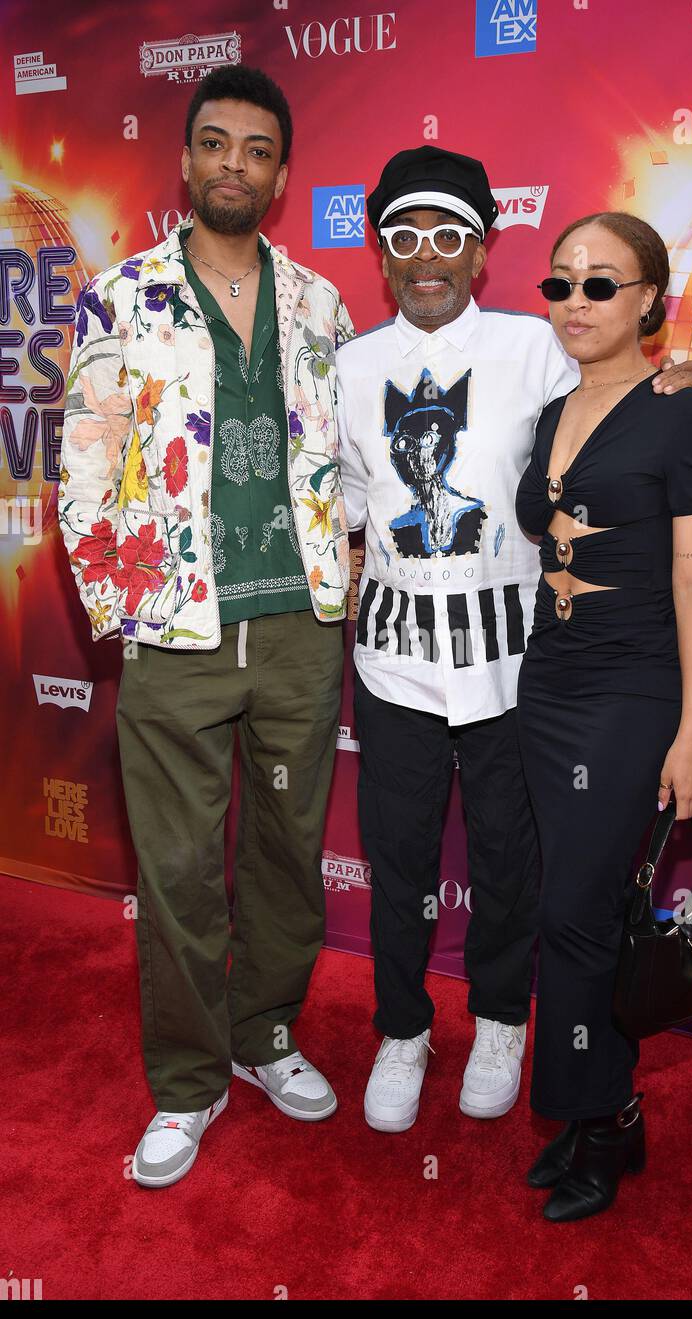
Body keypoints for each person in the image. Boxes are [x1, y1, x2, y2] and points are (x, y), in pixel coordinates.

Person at [335, 148, 692, 1134]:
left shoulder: (539, 346)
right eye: (405, 235)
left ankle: (501, 1015)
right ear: (380, 251)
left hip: (515, 670)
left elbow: (625, 387)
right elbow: (335, 500)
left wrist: (678, 372)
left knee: (510, 860)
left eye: (448, 236)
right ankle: (402, 1028)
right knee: (399, 861)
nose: (426, 255)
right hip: (391, 663)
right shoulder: (347, 367)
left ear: (480, 250)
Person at [57, 65, 355, 1188]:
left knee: (284, 855)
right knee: (179, 869)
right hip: (174, 633)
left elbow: (350, 458)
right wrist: (122, 603)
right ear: (185, 160)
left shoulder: (320, 304)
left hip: (295, 630)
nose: (235, 163)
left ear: (280, 174)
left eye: (258, 149)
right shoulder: (122, 295)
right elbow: (81, 455)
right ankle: (187, 1084)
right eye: (216, 143)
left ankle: (267, 1036)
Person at [514, 211, 692, 1221]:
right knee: (574, 909)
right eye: (560, 284)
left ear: (651, 298)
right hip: (546, 683)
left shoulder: (682, 409)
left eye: (601, 284)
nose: (575, 303)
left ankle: (602, 1116)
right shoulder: (551, 405)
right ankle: (591, 1115)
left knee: (576, 915)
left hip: (632, 690)